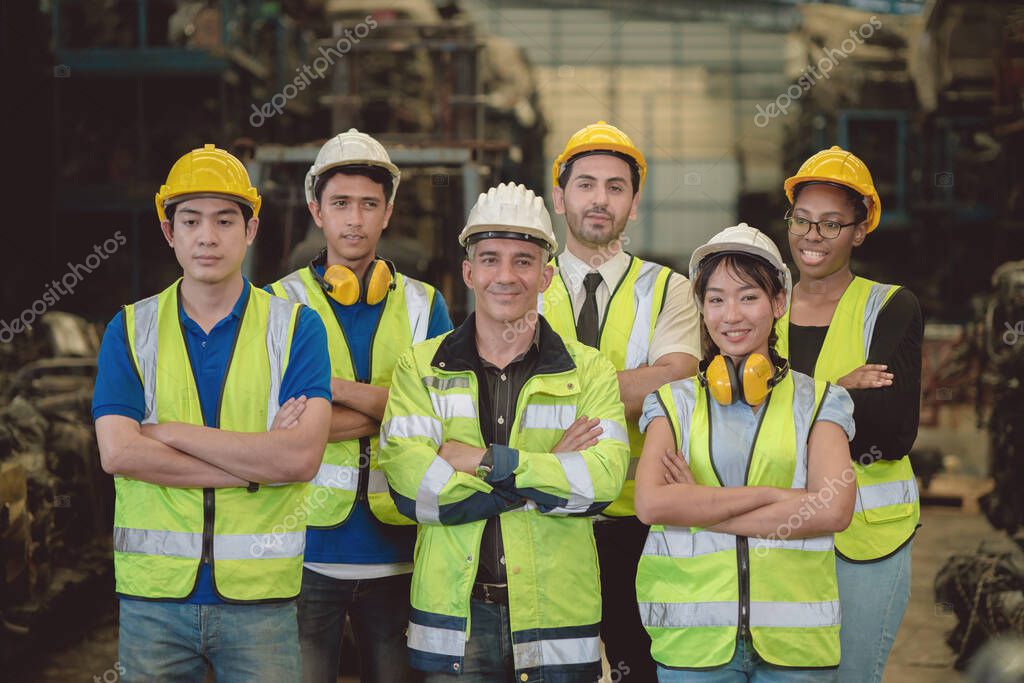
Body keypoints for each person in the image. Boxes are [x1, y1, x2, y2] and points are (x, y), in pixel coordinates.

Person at [93, 144, 332, 681]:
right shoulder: (129, 330)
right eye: (191, 220)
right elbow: (119, 453)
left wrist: (168, 433)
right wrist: (255, 466)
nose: (207, 236)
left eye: (225, 220)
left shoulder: (296, 329)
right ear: (168, 231)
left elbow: (299, 459)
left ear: (250, 230)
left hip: (261, 601)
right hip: (154, 601)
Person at [379, 182, 630, 682]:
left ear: (546, 276)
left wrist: (484, 461)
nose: (506, 276)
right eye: (490, 259)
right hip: (456, 621)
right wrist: (546, 471)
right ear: (469, 272)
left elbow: (601, 485)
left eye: (523, 261)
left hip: (558, 621)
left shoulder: (590, 372)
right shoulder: (420, 367)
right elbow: (414, 491)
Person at [267, 128, 453, 683]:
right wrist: (398, 408)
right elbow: (276, 430)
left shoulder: (425, 305)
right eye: (341, 203)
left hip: (401, 550)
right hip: (306, 551)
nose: (355, 219)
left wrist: (333, 390)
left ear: (388, 212)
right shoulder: (277, 304)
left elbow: (443, 418)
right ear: (315, 211)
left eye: (369, 204)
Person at [634, 223, 857, 681]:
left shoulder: (820, 401)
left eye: (748, 297)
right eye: (716, 299)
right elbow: (651, 504)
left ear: (779, 303)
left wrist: (698, 506)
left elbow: (833, 509)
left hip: (796, 650)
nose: (730, 315)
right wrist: (779, 497)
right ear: (702, 309)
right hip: (692, 645)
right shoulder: (672, 403)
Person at [542, 120, 700, 680]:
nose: (599, 199)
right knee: (556, 668)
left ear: (634, 205)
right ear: (559, 197)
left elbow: (676, 380)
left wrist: (555, 392)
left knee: (639, 667)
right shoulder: (525, 283)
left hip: (639, 520)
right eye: (585, 184)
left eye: (616, 187)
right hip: (548, 514)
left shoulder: (669, 288)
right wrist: (634, 384)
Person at [776, 146, 923, 682]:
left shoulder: (890, 306)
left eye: (832, 223)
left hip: (866, 540)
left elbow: (890, 430)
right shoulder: (759, 304)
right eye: (802, 220)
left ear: (859, 232)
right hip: (779, 529)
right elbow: (728, 419)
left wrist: (782, 412)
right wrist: (840, 390)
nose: (812, 235)